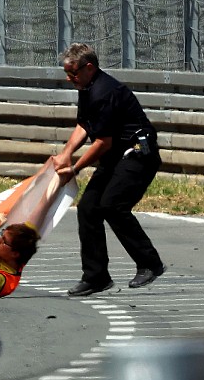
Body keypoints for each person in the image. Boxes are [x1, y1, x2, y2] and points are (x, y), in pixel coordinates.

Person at [51, 42, 165, 297]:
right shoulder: (87, 86)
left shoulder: (104, 91)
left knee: (113, 205)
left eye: (73, 73)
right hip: (117, 156)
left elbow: (103, 142)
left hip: (138, 155)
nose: (70, 79)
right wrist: (65, 155)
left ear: (89, 68)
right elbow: (84, 125)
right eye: (67, 74)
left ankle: (150, 263)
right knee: (88, 208)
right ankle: (96, 277)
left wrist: (75, 168)